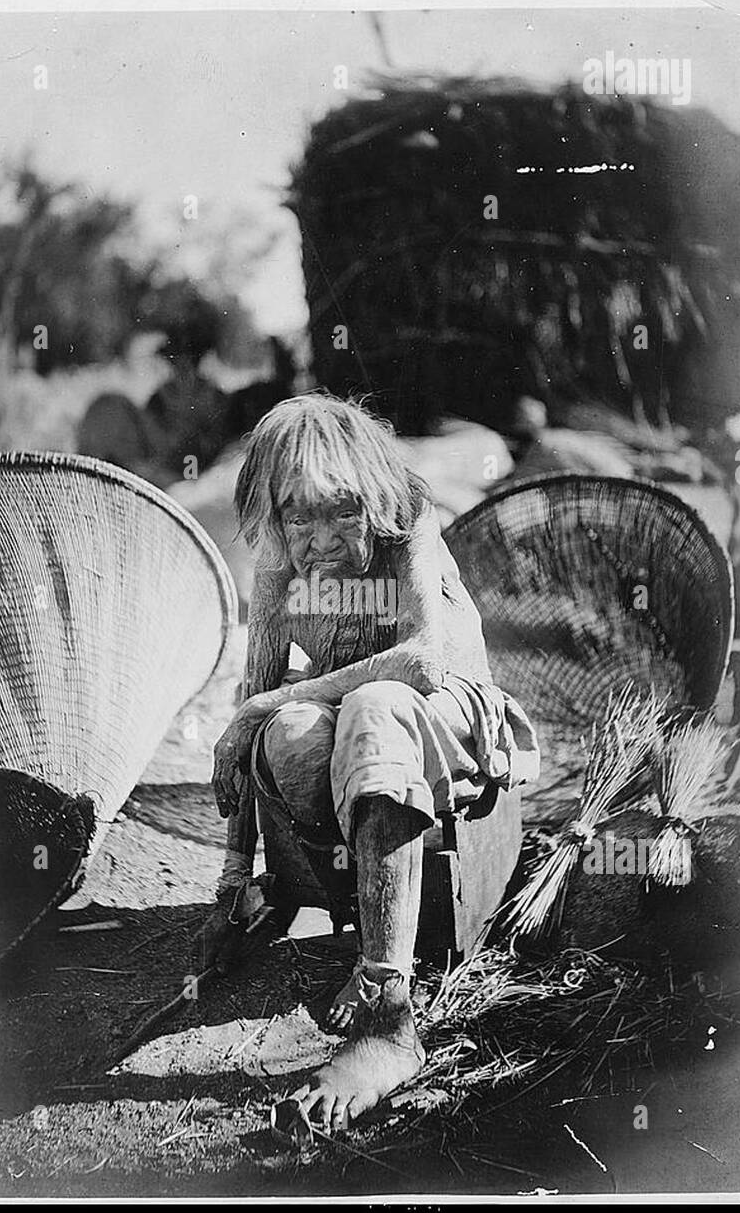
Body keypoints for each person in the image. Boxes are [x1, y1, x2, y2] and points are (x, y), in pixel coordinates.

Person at [196, 393, 539, 1132]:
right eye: (298, 515)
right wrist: (233, 883)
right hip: (360, 735)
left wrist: (258, 708)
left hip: (446, 718)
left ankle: (389, 1014)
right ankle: (360, 897)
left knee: (375, 704)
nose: (318, 537)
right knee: (287, 731)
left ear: (371, 498)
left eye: (339, 510)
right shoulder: (279, 565)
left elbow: (422, 662)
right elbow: (254, 705)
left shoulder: (409, 519)